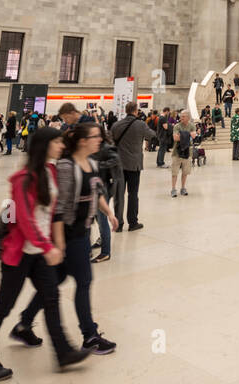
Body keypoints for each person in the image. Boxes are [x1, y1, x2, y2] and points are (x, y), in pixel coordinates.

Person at [0, 127, 94, 381]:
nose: (62, 145)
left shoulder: (50, 172)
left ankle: (63, 353)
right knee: (2, 307)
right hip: (19, 254)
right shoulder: (23, 179)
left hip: (38, 252)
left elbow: (49, 213)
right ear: (45, 145)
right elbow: (25, 220)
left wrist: (53, 243)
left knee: (51, 298)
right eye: (57, 142)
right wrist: (48, 246)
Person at [10, 122, 118, 355]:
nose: (99, 140)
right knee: (84, 281)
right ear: (82, 140)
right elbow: (59, 206)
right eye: (95, 136)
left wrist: (108, 212)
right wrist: (59, 242)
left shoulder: (90, 162)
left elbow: (95, 191)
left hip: (82, 230)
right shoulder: (67, 166)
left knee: (56, 281)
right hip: (71, 233)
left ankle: (24, 323)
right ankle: (89, 335)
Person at [108, 103, 149, 232]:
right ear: (136, 111)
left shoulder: (117, 125)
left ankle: (118, 223)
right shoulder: (141, 124)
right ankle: (133, 222)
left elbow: (110, 140)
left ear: (125, 111)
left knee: (119, 194)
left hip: (119, 164)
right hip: (134, 165)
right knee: (133, 194)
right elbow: (152, 135)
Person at [171, 112, 193, 197]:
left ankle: (183, 188)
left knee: (185, 172)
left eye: (183, 116)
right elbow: (175, 138)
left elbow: (194, 136)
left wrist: (182, 135)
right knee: (174, 172)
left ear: (188, 117)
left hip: (188, 152)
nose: (181, 118)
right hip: (177, 152)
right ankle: (173, 189)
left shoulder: (191, 126)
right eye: (181, 116)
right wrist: (188, 135)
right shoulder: (177, 126)